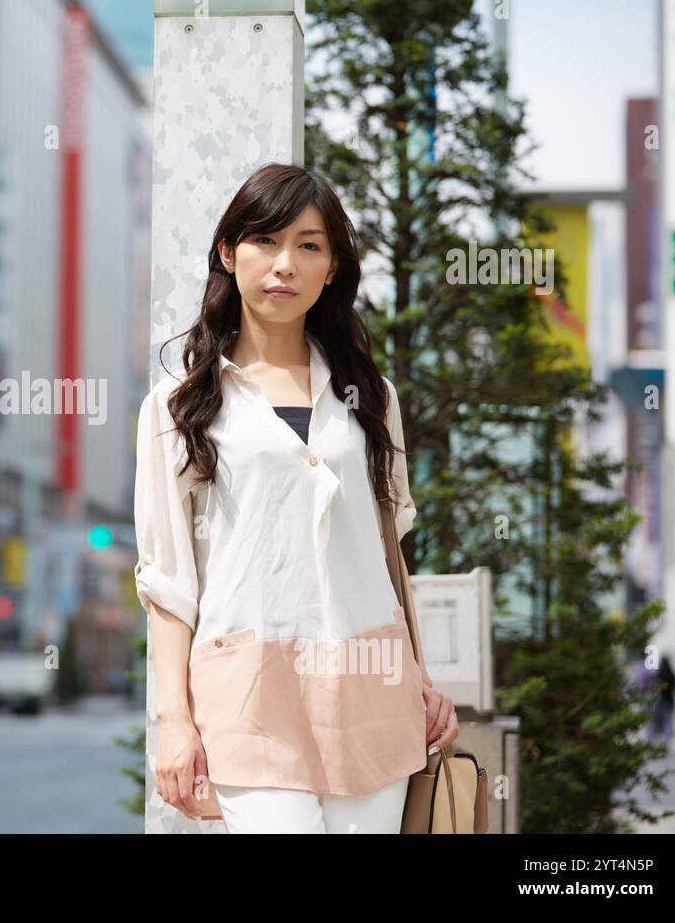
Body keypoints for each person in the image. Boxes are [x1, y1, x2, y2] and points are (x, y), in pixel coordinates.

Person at [134, 163, 458, 833]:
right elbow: (167, 579)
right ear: (229, 252)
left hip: (369, 685)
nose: (284, 264)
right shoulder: (180, 405)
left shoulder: (371, 399)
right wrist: (174, 721)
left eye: (309, 245)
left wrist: (420, 679)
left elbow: (387, 550)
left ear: (332, 267)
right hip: (247, 692)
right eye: (265, 240)